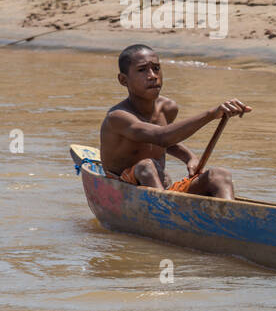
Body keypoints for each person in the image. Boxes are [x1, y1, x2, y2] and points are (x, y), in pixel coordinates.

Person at [99, 44, 251, 199]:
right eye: (142, 70)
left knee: (219, 175)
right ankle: (164, 213)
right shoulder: (117, 117)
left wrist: (190, 157)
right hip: (125, 187)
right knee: (146, 166)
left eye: (156, 68)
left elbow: (165, 141)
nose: (152, 75)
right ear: (123, 80)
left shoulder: (168, 108)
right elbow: (161, 137)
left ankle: (228, 217)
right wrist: (212, 114)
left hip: (160, 189)